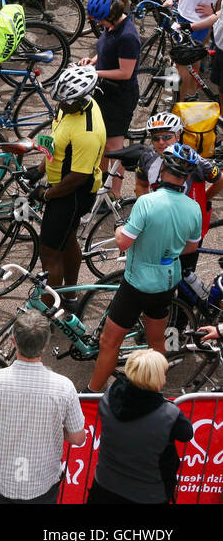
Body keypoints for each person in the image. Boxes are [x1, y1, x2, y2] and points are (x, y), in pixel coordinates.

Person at [86, 143, 202, 393]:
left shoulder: (147, 202)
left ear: (163, 169)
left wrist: (119, 228)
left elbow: (124, 242)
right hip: (167, 281)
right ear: (186, 176)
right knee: (157, 341)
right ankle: (154, 391)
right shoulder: (194, 208)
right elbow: (191, 248)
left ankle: (92, 392)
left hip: (137, 282)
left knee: (109, 341)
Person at [0, 309, 87, 503]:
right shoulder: (64, 388)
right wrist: (57, 431)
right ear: (45, 345)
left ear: (14, 341)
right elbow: (78, 438)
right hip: (42, 484)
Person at [88, 349, 193, 504]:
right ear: (158, 378)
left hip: (104, 485)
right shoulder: (169, 415)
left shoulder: (110, 396)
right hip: (148, 494)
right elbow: (186, 433)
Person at [40, 65, 106, 291]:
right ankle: (69, 296)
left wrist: (47, 194)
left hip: (72, 194)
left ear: (83, 97)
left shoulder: (87, 131)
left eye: (66, 102)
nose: (61, 106)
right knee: (68, 240)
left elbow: (78, 176)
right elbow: (58, 143)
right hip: (63, 186)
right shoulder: (70, 105)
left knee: (49, 253)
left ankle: (47, 311)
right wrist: (40, 169)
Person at [78, 0, 139, 197]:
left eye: (101, 20)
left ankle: (115, 194)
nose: (99, 24)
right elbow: (105, 51)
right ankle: (101, 184)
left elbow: (125, 72)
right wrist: (92, 61)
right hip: (104, 92)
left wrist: (95, 73)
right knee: (101, 143)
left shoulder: (128, 36)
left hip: (119, 97)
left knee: (114, 147)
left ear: (112, 14)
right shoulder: (111, 27)